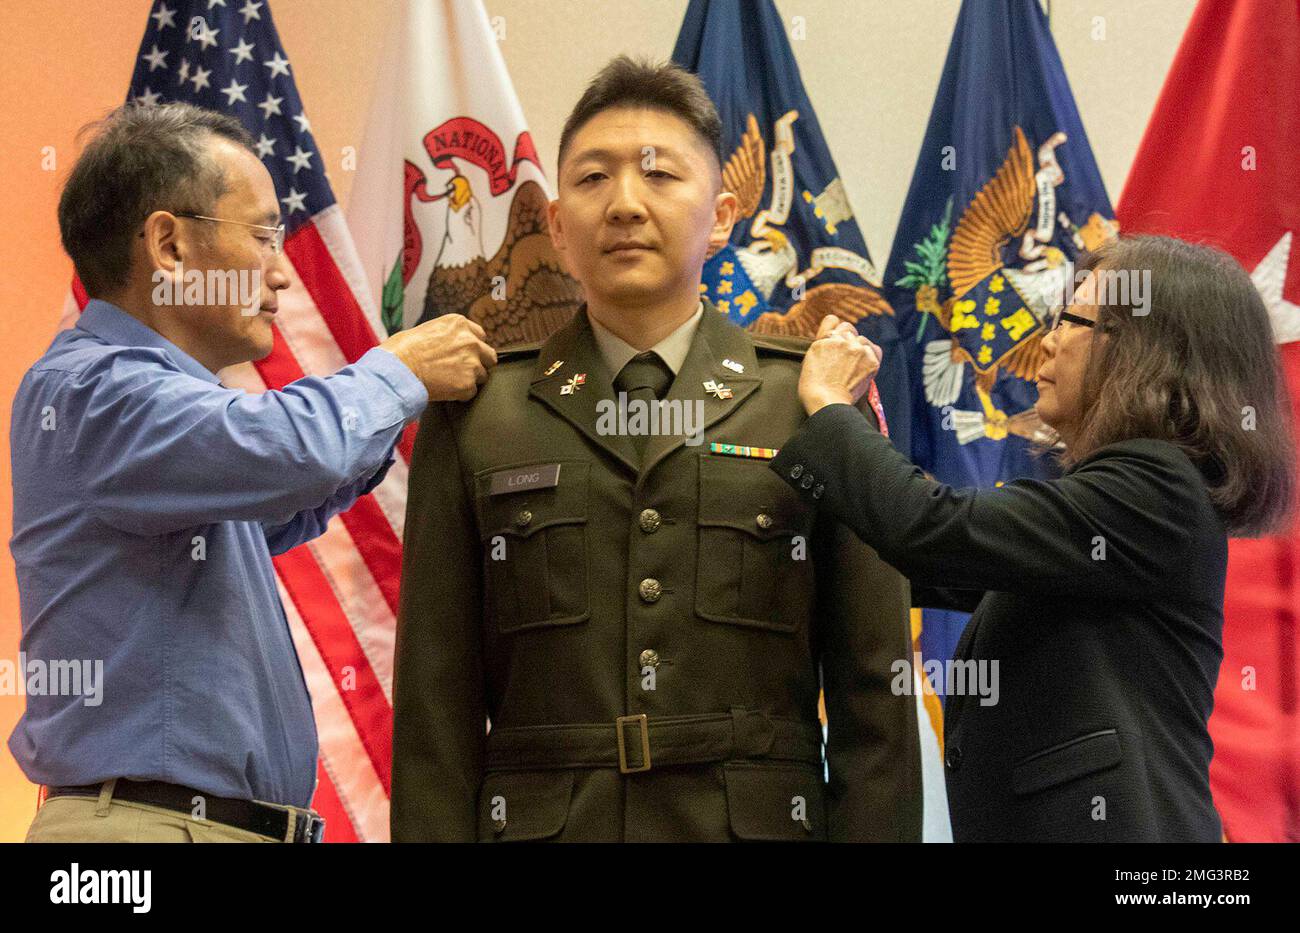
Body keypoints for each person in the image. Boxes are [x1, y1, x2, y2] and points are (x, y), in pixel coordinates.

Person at [391, 57, 922, 842]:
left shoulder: (811, 404)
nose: (625, 204)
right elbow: (435, 705)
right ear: (556, 222)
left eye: (660, 176)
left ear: (723, 215)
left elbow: (874, 690)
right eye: (593, 178)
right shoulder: (481, 414)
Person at [12, 101, 496, 843]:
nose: (284, 275)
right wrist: (397, 372)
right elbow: (289, 452)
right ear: (168, 247)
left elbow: (286, 497)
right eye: (265, 235)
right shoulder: (91, 388)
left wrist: (394, 414)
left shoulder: (151, 416)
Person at [773, 235, 1296, 842]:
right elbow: (919, 562)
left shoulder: (1158, 487)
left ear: (1147, 353)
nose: (1045, 340)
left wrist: (830, 405)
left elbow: (933, 530)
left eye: (1071, 319)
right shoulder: (1125, 504)